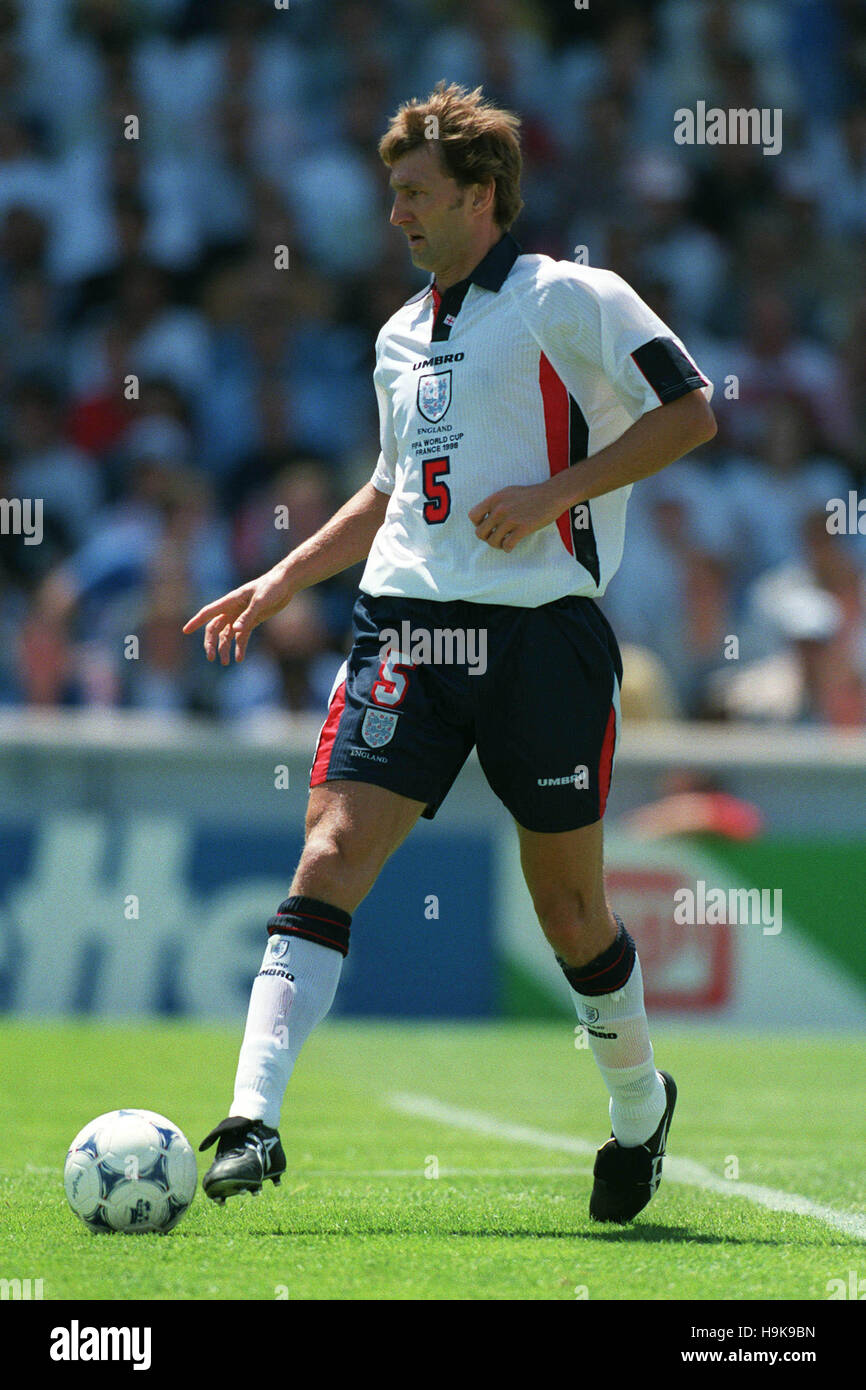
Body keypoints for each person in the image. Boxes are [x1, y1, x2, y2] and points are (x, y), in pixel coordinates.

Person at [183, 82, 717, 1223]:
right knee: (327, 852)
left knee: (570, 913)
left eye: (416, 194)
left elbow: (689, 413)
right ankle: (250, 1120)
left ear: (482, 197)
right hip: (406, 629)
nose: (397, 215)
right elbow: (388, 491)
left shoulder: (568, 296)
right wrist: (285, 575)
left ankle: (636, 1111)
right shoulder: (398, 334)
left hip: (543, 638)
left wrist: (553, 494)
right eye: (391, 194)